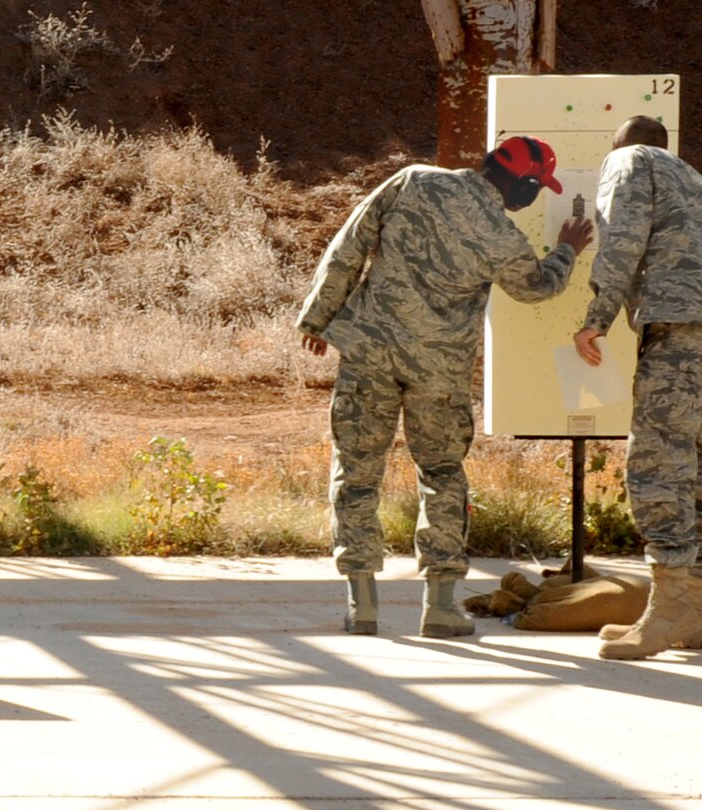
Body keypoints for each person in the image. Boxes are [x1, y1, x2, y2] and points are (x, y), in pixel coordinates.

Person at [298, 137, 593, 639]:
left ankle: (362, 604)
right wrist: (568, 249)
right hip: (439, 371)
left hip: (369, 353)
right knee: (441, 475)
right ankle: (439, 606)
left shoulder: (413, 179)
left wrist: (319, 316)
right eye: (537, 187)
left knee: (356, 471)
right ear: (520, 185)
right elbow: (537, 287)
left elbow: (350, 243)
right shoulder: (502, 236)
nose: (536, 197)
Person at [570, 115, 702, 660]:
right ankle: (691, 616)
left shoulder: (629, 162)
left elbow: (622, 241)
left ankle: (671, 606)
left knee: (658, 464)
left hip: (678, 328)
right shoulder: (692, 178)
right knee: (693, 466)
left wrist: (597, 315)